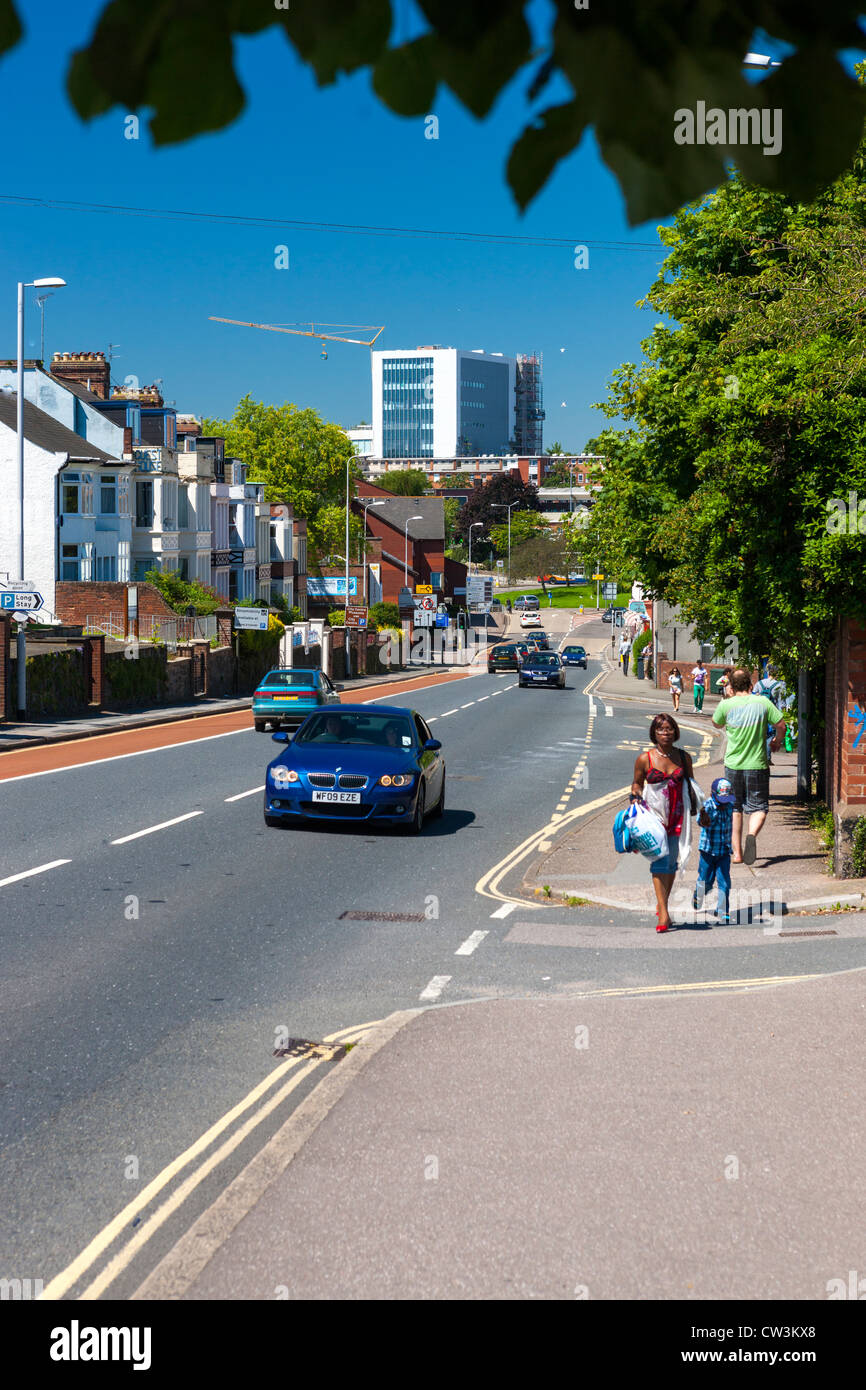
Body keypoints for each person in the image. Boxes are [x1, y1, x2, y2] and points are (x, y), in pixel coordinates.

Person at [630, 713, 698, 933]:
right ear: (654, 733)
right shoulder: (645, 759)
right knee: (660, 862)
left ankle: (662, 904)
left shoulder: (683, 757)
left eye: (669, 729)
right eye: (661, 730)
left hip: (678, 815)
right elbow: (637, 784)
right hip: (654, 816)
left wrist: (701, 811)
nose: (665, 733)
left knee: (671, 863)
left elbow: (692, 784)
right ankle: (665, 912)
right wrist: (635, 794)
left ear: (675, 732)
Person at [713, 667, 786, 865]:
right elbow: (781, 725)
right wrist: (777, 742)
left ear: (731, 686)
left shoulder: (726, 705)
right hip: (757, 764)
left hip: (732, 765)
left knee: (734, 807)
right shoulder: (762, 702)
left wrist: (727, 699)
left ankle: (737, 854)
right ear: (751, 685)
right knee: (759, 806)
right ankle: (752, 834)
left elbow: (716, 724)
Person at [692, 776, 735, 923]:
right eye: (721, 800)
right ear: (713, 794)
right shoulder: (708, 806)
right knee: (706, 881)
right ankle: (698, 893)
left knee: (724, 882)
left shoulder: (730, 805)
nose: (724, 803)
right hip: (708, 851)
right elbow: (701, 821)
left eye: (726, 799)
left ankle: (723, 910)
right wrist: (704, 815)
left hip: (724, 851)